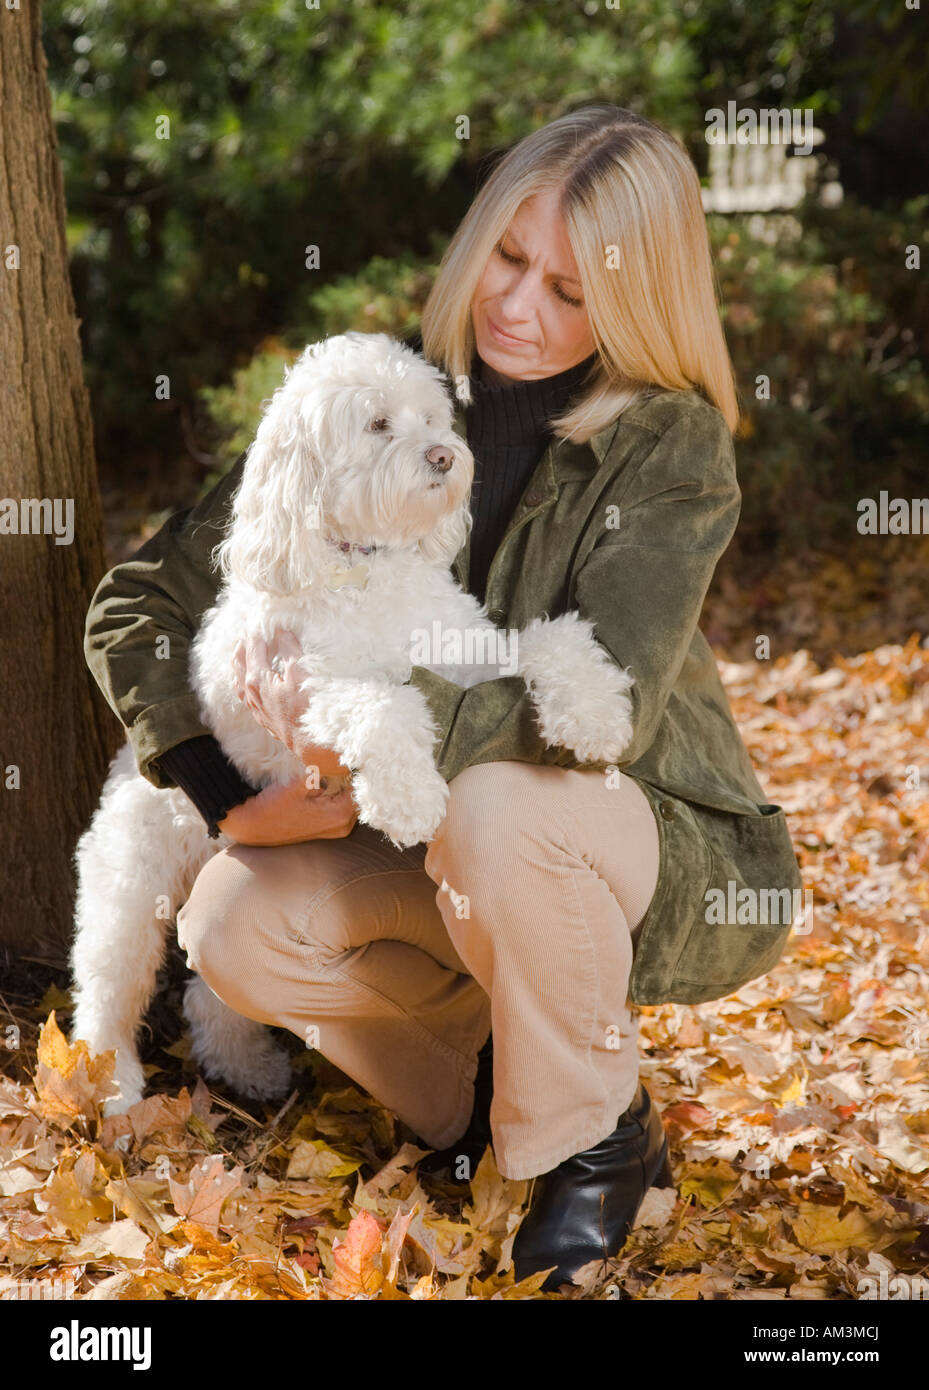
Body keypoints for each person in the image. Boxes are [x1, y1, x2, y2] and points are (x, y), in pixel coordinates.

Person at [83, 104, 804, 1292]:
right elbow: (136, 601)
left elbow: (598, 703)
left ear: (630, 304)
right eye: (508, 261)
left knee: (501, 805)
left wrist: (357, 717)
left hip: (637, 835)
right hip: (434, 844)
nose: (519, 308)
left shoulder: (665, 448)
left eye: (570, 291)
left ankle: (587, 1144)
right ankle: (487, 1093)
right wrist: (219, 790)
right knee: (230, 921)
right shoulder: (383, 400)